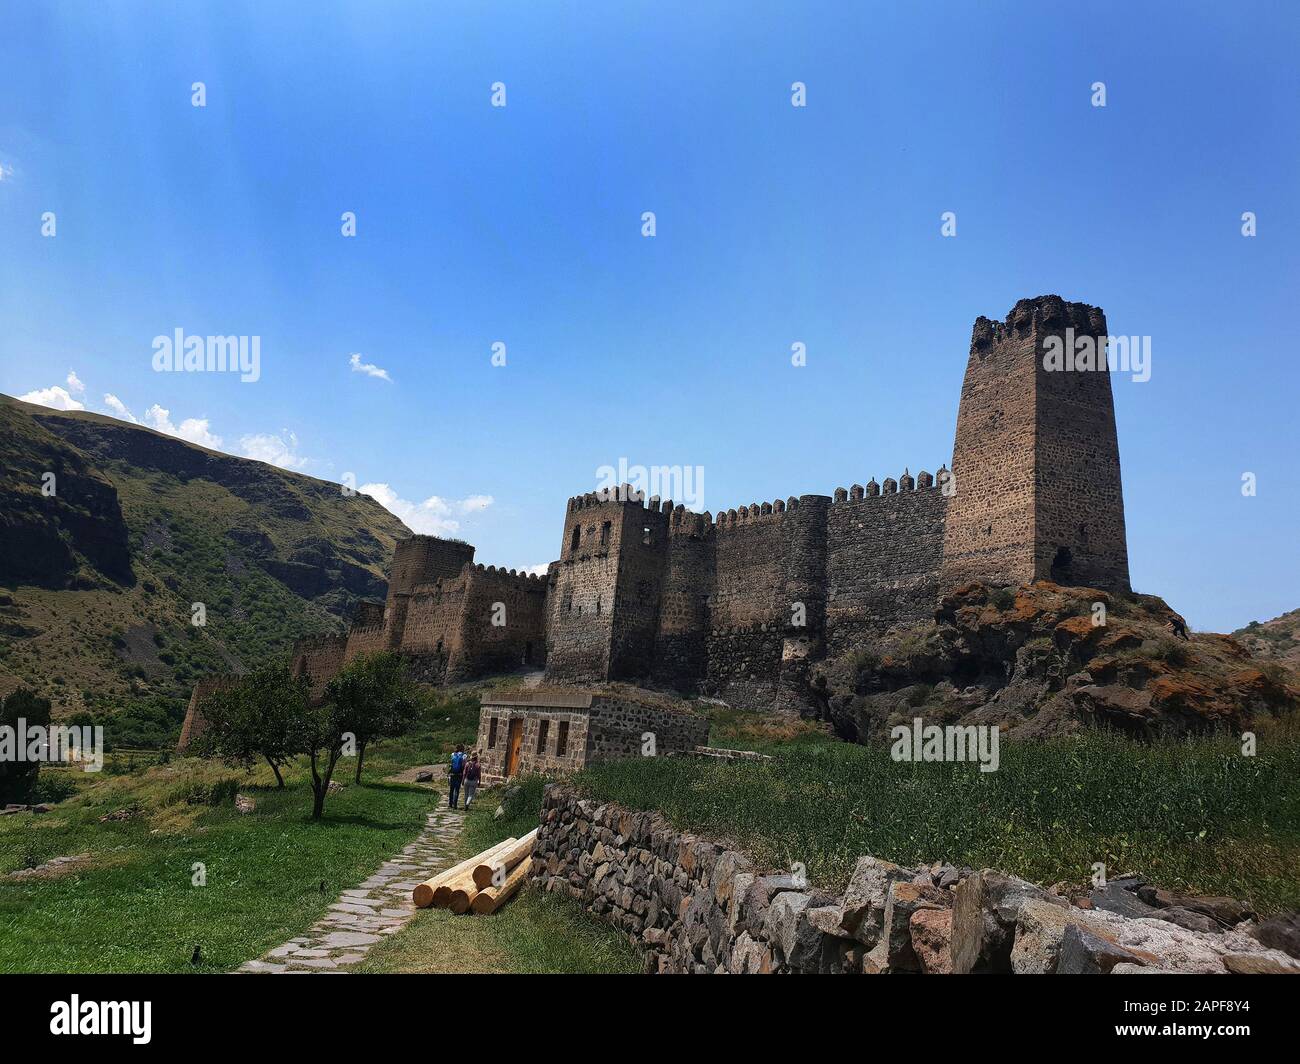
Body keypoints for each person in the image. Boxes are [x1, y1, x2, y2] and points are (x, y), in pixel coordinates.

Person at [448, 744, 466, 809]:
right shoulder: (464, 755)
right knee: (457, 790)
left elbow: (451, 764)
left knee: (451, 790)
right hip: (459, 775)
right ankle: (455, 804)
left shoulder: (452, 754)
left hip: (452, 774)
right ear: (462, 749)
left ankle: (450, 803)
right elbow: (464, 765)